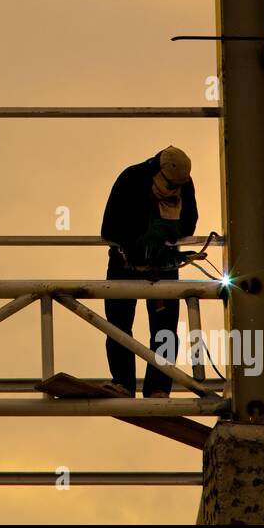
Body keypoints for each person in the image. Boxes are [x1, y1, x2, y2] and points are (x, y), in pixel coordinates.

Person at [99, 146, 198, 397]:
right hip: (123, 264)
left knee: (164, 329)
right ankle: (123, 383)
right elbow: (109, 228)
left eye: (179, 187)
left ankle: (158, 387)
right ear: (158, 172)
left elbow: (189, 222)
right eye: (171, 186)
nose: (175, 191)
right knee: (119, 325)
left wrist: (167, 232)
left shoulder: (184, 184)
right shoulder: (131, 179)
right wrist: (139, 240)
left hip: (162, 266)